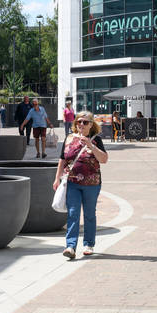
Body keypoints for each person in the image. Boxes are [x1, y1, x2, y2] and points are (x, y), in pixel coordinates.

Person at [52, 110, 109, 259]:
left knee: (89, 214)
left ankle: (89, 243)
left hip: (91, 183)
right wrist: (57, 178)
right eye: (79, 121)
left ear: (91, 125)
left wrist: (91, 145)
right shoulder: (69, 138)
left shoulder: (96, 140)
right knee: (73, 214)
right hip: (72, 183)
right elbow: (63, 159)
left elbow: (104, 159)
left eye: (85, 122)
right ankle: (70, 246)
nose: (81, 124)